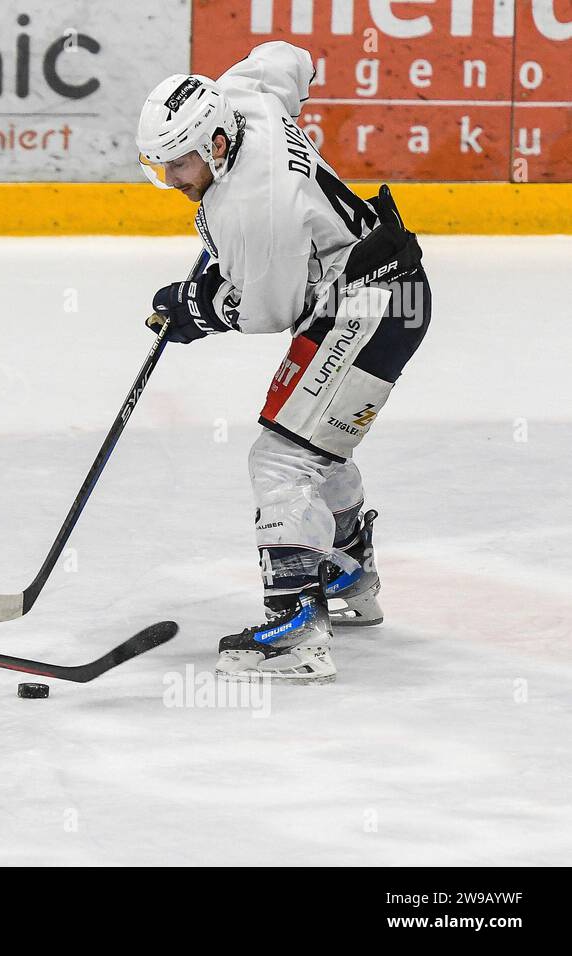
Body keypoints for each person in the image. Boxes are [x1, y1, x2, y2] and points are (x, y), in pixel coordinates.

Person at [135, 41, 431, 684]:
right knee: (315, 443)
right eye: (161, 170)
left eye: (178, 167)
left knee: (281, 458)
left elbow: (269, 307)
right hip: (388, 288)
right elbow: (289, 58)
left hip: (364, 306)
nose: (174, 182)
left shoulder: (255, 207)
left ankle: (296, 628)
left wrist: (196, 304)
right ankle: (346, 569)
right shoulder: (244, 97)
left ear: (214, 144)